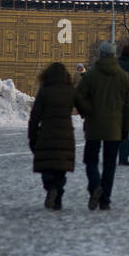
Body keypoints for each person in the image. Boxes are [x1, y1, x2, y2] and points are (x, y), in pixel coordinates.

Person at [74, 41, 129, 210]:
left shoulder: (91, 76)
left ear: (100, 55)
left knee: (91, 160)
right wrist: (126, 127)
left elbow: (78, 96)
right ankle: (105, 199)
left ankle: (95, 186)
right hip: (115, 128)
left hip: (94, 125)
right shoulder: (123, 77)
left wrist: (86, 112)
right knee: (109, 164)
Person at [28, 62, 77, 209]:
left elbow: (34, 117)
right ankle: (58, 196)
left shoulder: (44, 91)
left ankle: (50, 187)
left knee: (47, 167)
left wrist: (32, 137)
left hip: (46, 134)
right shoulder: (70, 91)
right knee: (61, 169)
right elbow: (85, 107)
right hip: (66, 135)